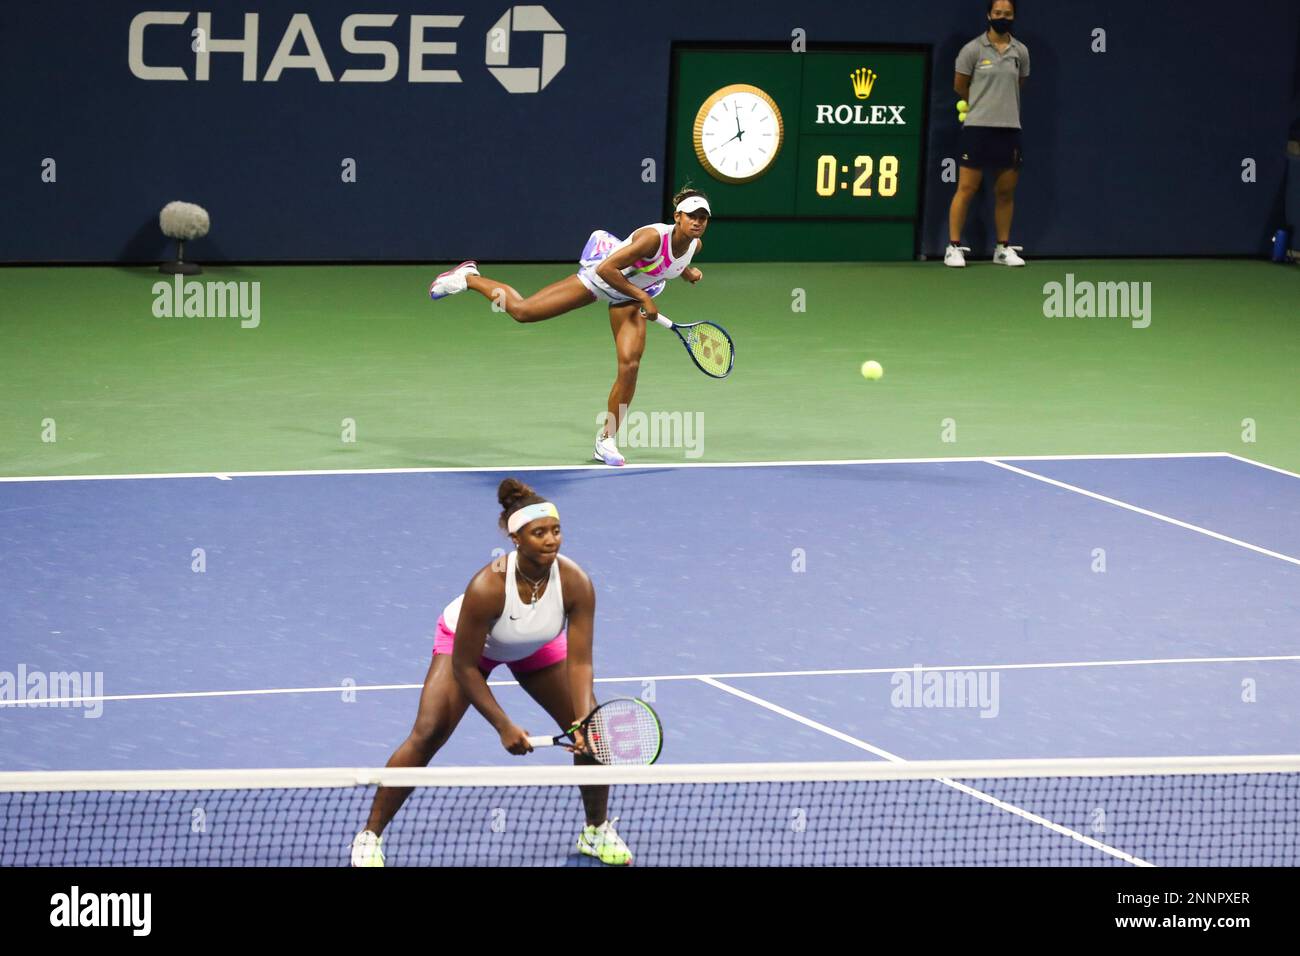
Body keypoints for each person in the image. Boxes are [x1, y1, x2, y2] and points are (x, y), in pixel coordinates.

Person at [350, 478, 632, 866]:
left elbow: (581, 661)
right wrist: (503, 725)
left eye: (556, 530)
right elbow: (465, 668)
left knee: (593, 733)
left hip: (536, 645)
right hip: (473, 648)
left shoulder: (575, 583)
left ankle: (596, 830)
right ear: (516, 538)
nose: (551, 540)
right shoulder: (488, 586)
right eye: (539, 533)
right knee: (428, 731)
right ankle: (369, 836)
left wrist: (583, 717)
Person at [427, 189, 710, 465]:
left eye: (703, 217)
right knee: (523, 311)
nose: (697, 222)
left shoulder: (693, 245)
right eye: (691, 216)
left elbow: (672, 262)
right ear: (677, 217)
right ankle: (469, 278)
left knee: (630, 365)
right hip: (600, 281)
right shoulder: (651, 238)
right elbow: (606, 270)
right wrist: (643, 297)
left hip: (628, 297)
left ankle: (606, 440)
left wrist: (686, 272)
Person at [946, 0, 1031, 268]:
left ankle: (1002, 249)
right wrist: (983, 104)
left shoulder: (1021, 52)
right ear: (988, 15)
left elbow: (1020, 84)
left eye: (1007, 13)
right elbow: (960, 85)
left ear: (1013, 16)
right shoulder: (971, 50)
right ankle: (954, 248)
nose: (1002, 17)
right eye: (997, 13)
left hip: (1009, 129)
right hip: (977, 128)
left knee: (1005, 192)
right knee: (967, 188)